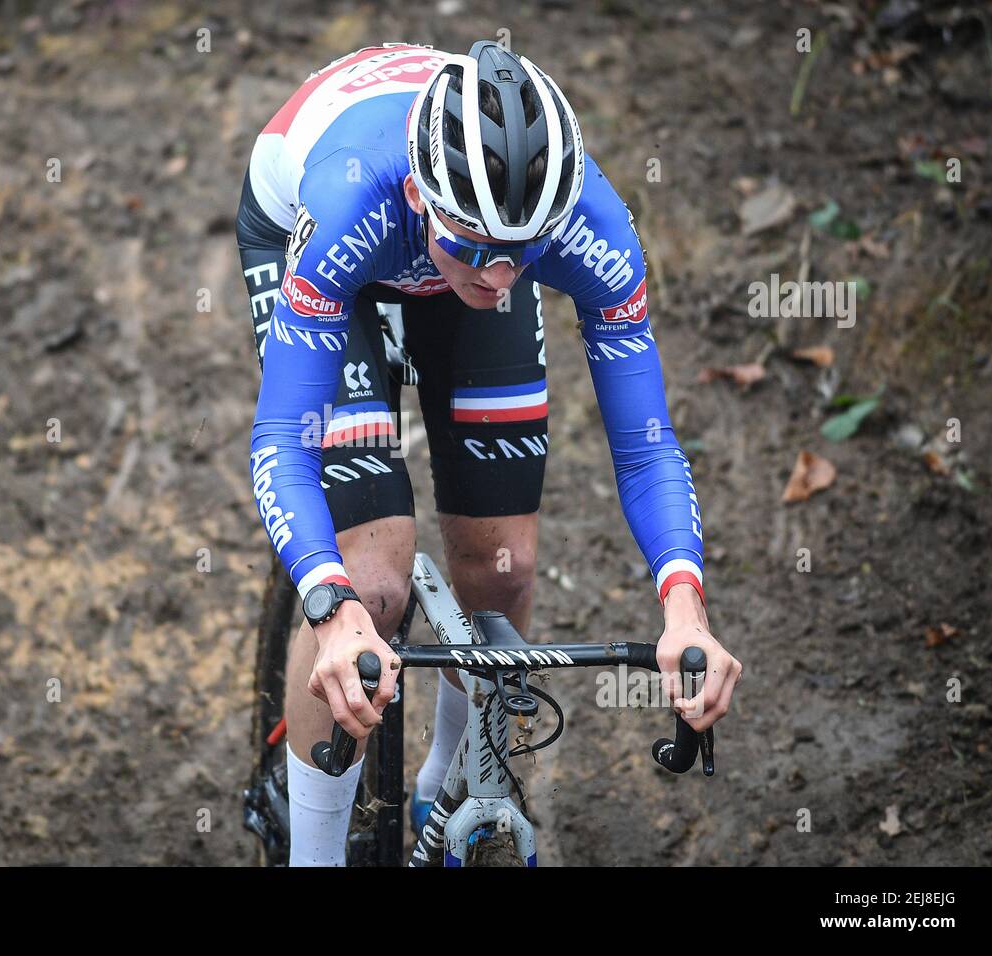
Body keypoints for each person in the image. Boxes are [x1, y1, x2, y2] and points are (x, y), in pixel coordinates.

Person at [236, 41, 742, 866]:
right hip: (330, 228)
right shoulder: (348, 200)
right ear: (421, 195)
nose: (503, 278)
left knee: (502, 568)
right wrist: (333, 608)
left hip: (439, 241)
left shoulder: (585, 226)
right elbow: (280, 443)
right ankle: (315, 852)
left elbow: (648, 449)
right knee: (373, 579)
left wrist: (686, 608)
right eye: (478, 247)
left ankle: (452, 778)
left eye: (525, 253)